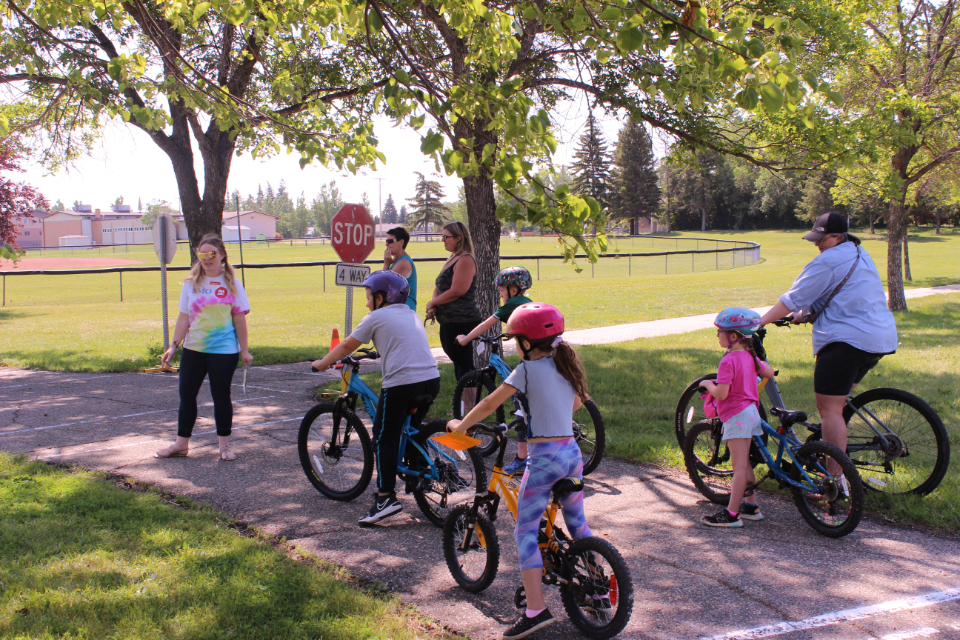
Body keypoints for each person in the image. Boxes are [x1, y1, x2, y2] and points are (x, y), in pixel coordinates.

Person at [448, 303, 592, 640]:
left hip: (543, 460)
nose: (514, 345)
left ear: (527, 343)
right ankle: (598, 586)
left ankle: (536, 611)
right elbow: (576, 403)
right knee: (578, 524)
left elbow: (489, 403)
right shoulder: (564, 365)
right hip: (571, 454)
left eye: (515, 340)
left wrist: (460, 426)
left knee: (524, 531)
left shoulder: (526, 370)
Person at [758, 212, 897, 471]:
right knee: (839, 401)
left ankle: (834, 479)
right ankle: (833, 463)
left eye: (822, 239)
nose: (817, 244)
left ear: (838, 236)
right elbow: (842, 295)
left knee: (829, 409)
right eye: (816, 239)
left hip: (846, 341)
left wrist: (760, 322)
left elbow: (791, 300)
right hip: (879, 337)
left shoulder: (827, 261)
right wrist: (805, 315)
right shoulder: (859, 253)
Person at [311, 270, 440, 526]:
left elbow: (347, 346)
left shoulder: (375, 317)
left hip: (402, 385)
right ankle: (421, 471)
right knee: (412, 430)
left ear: (381, 298)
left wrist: (323, 363)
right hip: (430, 379)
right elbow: (400, 342)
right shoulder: (410, 313)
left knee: (383, 437)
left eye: (369, 297)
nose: (367, 303)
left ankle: (384, 499)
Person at [156, 233, 253, 461]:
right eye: (203, 254)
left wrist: (245, 350)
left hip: (224, 351)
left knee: (221, 397)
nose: (207, 258)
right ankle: (181, 444)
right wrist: (174, 346)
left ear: (222, 256)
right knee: (186, 396)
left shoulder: (232, 284)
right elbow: (184, 317)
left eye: (212, 254)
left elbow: (239, 319)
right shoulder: (191, 284)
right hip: (194, 350)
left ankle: (224, 447)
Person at [699, 308, 775, 528]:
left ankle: (731, 515)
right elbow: (770, 372)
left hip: (736, 415)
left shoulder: (728, 361)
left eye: (720, 332)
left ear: (733, 336)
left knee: (739, 467)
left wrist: (707, 384)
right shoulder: (749, 356)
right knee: (744, 463)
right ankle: (751, 506)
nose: (717, 335)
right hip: (751, 414)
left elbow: (722, 394)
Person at [456, 266, 534, 475]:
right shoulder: (527, 302)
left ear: (513, 290)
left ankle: (522, 459)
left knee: (521, 404)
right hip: (543, 358)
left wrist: (465, 339)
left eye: (501, 290)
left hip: (531, 363)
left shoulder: (512, 304)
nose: (500, 294)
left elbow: (486, 325)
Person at [425, 220, 482, 387]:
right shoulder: (453, 257)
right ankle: (463, 400)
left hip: (462, 320)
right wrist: (434, 306)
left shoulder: (465, 260)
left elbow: (458, 290)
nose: (443, 240)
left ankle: (471, 400)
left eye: (446, 237)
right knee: (459, 364)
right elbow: (440, 286)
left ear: (458, 238)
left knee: (464, 365)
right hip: (449, 320)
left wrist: (432, 302)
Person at [382, 226, 417, 311]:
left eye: (390, 241)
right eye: (386, 241)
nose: (387, 244)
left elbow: (383, 288)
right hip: (399, 309)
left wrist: (386, 264)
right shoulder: (399, 261)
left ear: (401, 242)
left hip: (404, 309)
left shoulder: (403, 262)